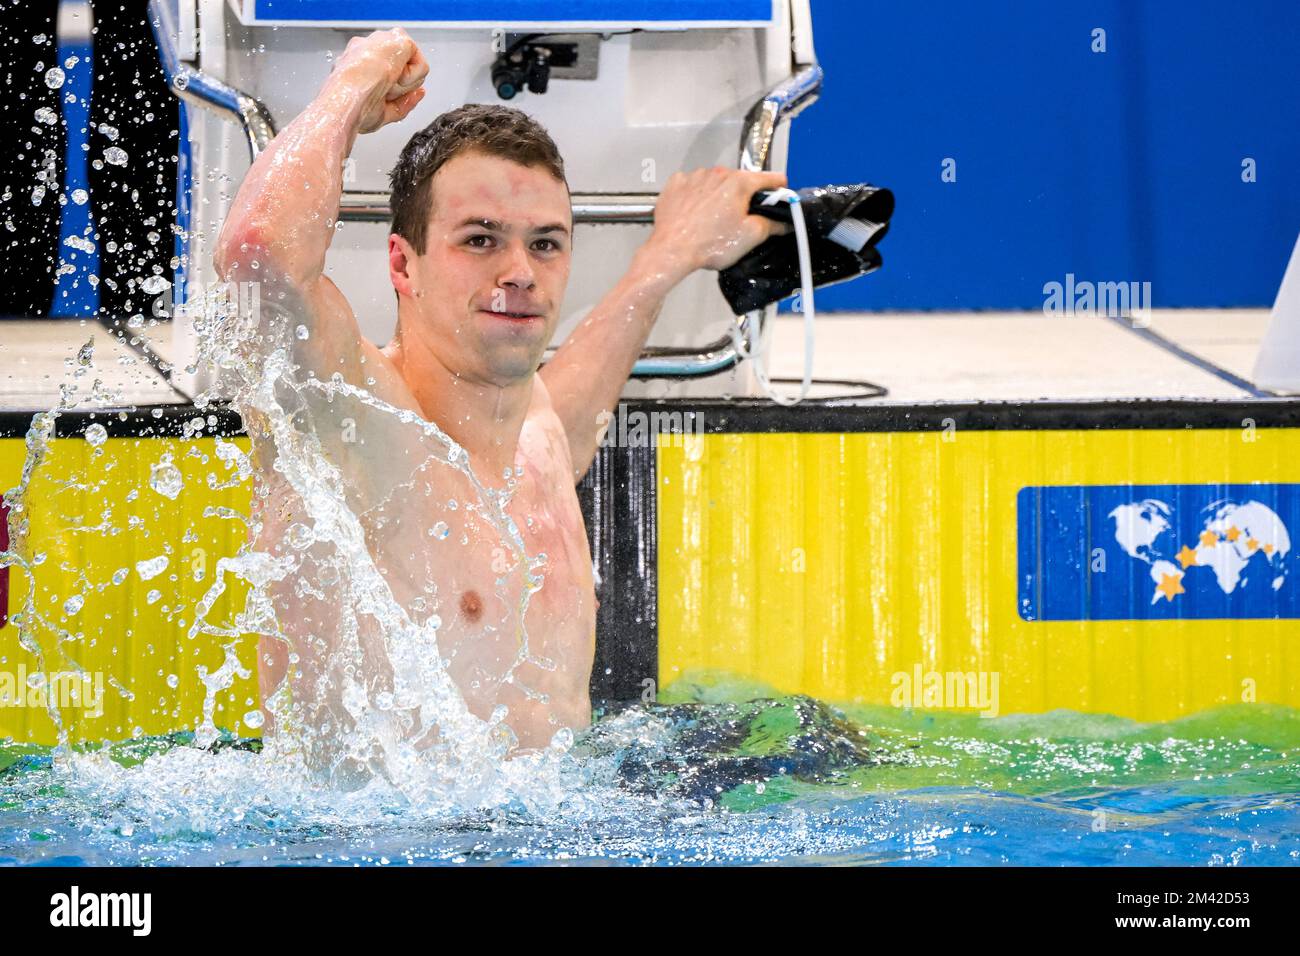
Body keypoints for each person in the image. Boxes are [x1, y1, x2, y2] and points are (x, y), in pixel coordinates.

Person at [214, 28, 788, 758]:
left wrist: (670, 254)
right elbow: (256, 257)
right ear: (403, 262)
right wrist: (352, 84)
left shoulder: (534, 430)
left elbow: (575, 407)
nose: (520, 272)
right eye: (480, 240)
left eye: (545, 244)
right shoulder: (354, 423)